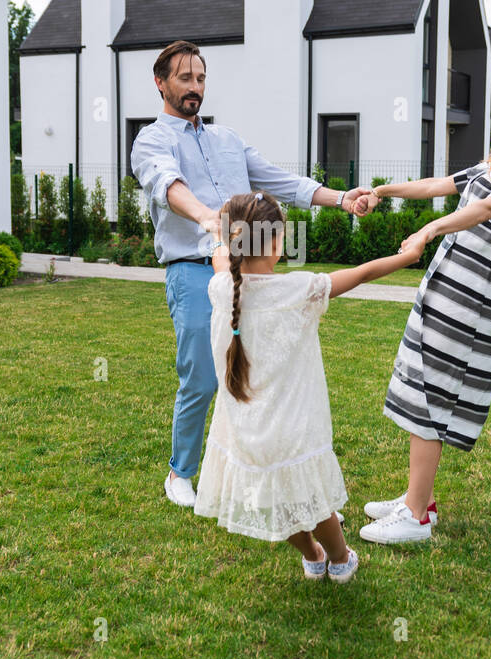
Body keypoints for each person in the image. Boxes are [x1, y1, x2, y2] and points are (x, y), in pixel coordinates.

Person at [129, 40, 376, 509]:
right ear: (160, 83)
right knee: (203, 378)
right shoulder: (152, 140)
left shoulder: (227, 139)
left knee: (257, 377)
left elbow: (281, 181)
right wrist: (207, 218)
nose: (194, 88)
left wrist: (341, 199)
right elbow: (167, 184)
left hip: (250, 272)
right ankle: (180, 472)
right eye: (184, 78)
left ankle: (256, 472)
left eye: (200, 79)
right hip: (193, 272)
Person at [358, 65, 491, 544]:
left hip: (473, 305)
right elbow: (444, 186)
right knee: (421, 384)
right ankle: (420, 500)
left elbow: (483, 210)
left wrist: (433, 229)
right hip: (449, 289)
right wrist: (383, 190)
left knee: (433, 394)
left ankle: (414, 517)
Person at [194, 190, 421, 581]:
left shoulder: (221, 289)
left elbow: (218, 256)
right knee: (314, 504)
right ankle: (338, 557)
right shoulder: (300, 289)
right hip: (293, 432)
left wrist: (217, 232)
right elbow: (364, 272)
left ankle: (313, 554)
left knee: (284, 504)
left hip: (247, 436)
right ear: (276, 243)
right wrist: (409, 255)